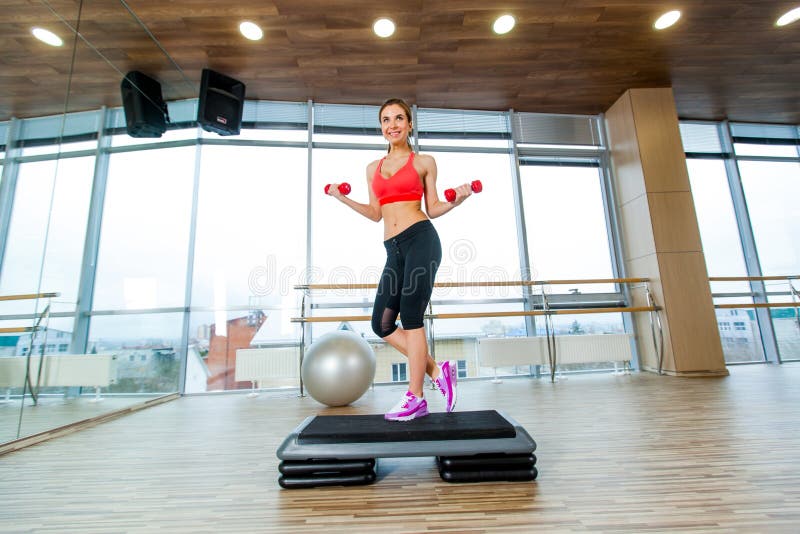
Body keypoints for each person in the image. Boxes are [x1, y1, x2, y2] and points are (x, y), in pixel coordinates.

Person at [326, 98, 473, 421]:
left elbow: (434, 208)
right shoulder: (372, 168)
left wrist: (458, 201)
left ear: (409, 124)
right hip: (392, 249)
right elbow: (374, 213)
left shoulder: (424, 162)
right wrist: (342, 198)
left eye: (398, 118)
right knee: (381, 324)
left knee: (411, 317)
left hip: (421, 240)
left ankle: (415, 397)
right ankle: (438, 371)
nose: (392, 125)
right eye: (386, 119)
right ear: (381, 127)